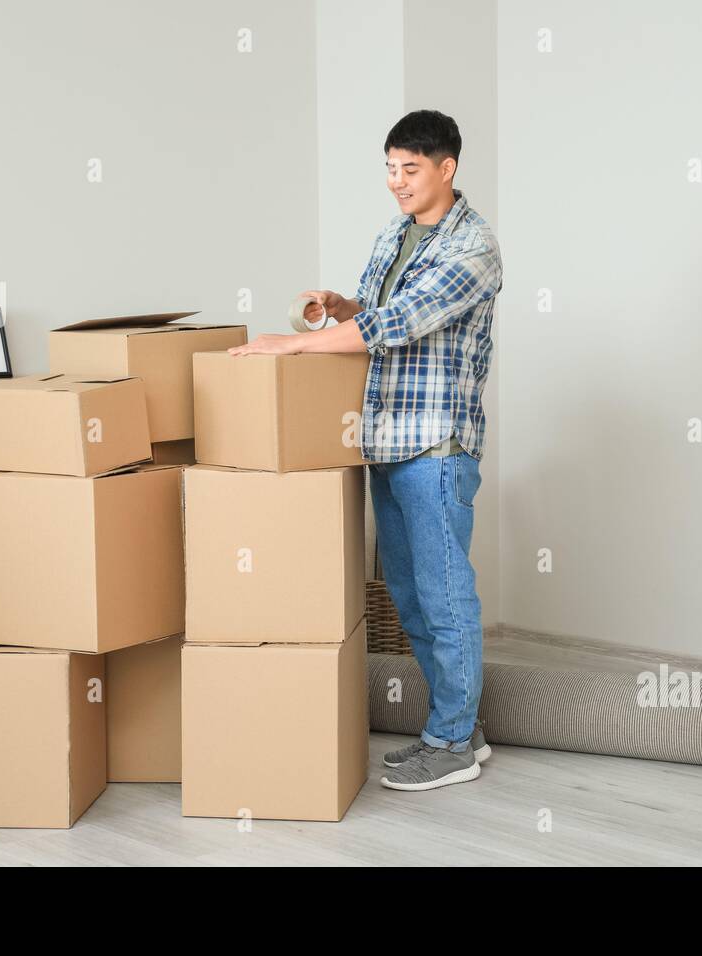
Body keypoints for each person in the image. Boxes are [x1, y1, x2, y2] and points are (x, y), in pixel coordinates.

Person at [229, 109, 503, 791]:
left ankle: (451, 743)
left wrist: (291, 343)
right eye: (389, 168)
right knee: (409, 595)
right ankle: (457, 728)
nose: (396, 182)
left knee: (445, 596)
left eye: (410, 169)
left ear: (447, 168)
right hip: (385, 440)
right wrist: (342, 307)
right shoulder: (398, 232)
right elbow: (379, 315)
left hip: (436, 445)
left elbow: (403, 323)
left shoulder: (474, 247)